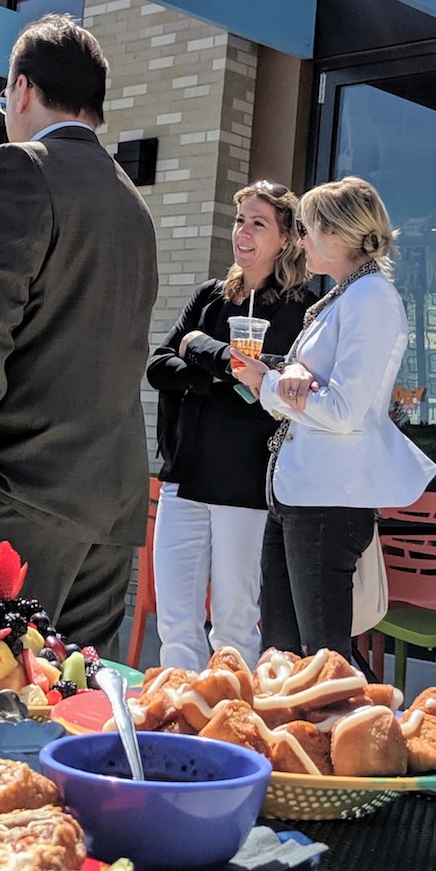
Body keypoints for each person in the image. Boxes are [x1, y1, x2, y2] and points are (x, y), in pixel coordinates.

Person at [0, 13, 157, 654]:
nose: (6, 111)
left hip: (16, 494)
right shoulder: (132, 202)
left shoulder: (21, 167)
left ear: (21, 90)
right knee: (68, 715)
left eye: (5, 98)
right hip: (107, 505)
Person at [230, 176, 435, 659]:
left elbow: (344, 409)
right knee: (280, 652)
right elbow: (321, 378)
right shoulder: (348, 297)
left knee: (325, 658)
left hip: (326, 499)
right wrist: (293, 369)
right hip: (299, 493)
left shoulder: (372, 299)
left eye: (306, 230)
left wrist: (269, 384)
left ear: (337, 235)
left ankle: (364, 734)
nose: (300, 241)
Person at [147, 182, 312, 670]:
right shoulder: (209, 298)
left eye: (258, 222)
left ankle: (231, 728)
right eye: (240, 220)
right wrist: (224, 370)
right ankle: (175, 722)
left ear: (284, 237)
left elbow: (283, 389)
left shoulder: (302, 310)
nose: (243, 231)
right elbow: (158, 367)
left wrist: (201, 353)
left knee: (235, 623)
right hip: (185, 478)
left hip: (247, 486)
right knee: (175, 620)